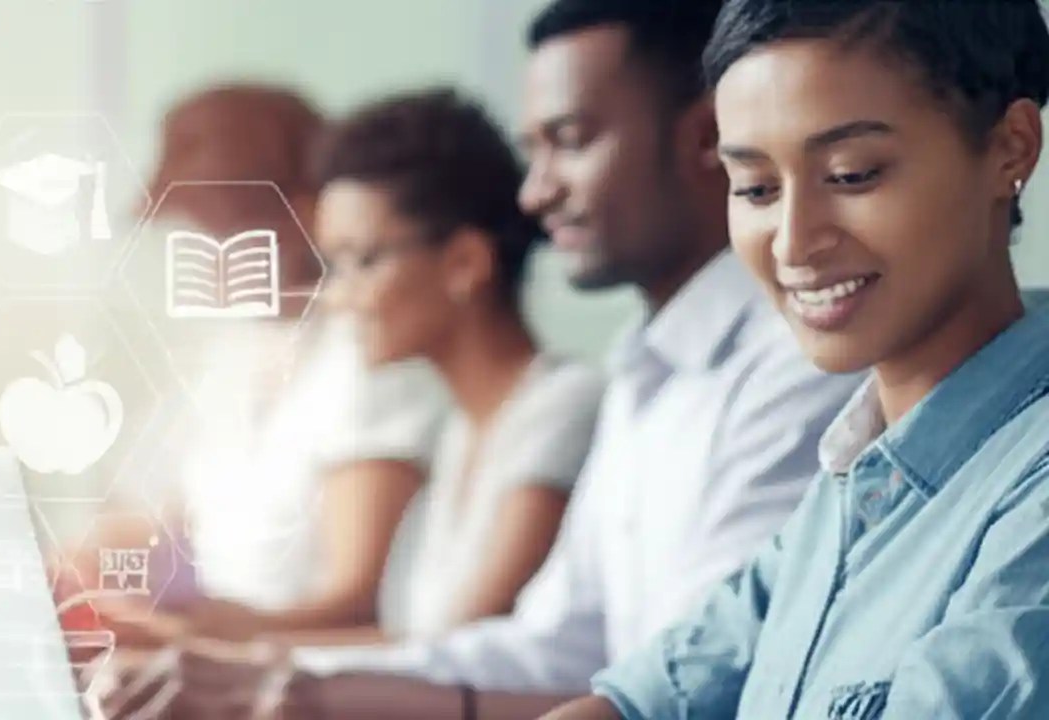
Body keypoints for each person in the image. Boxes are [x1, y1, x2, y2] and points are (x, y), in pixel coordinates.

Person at [96, 1, 864, 718]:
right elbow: (553, 645)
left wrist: (297, 686)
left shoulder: (798, 365)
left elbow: (694, 689)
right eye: (534, 151)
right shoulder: (642, 370)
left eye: (571, 140)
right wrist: (275, 675)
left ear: (704, 140)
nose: (536, 193)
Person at [549, 0, 1049, 717]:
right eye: (755, 188)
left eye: (850, 174)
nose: (792, 241)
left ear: (1010, 149)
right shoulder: (853, 483)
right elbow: (652, 695)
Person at [93, 84, 450, 644]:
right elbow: (157, 510)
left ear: (306, 214)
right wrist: (81, 566)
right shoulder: (235, 352)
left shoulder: (377, 362)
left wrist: (190, 636)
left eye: (218, 231)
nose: (198, 253)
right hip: (227, 658)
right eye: (190, 231)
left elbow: (354, 604)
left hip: (304, 668)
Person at [312, 88, 602, 643]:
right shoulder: (459, 432)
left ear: (465, 262)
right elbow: (414, 646)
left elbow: (460, 647)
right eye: (333, 265)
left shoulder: (563, 409)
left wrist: (227, 654)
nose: (335, 297)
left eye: (362, 261)